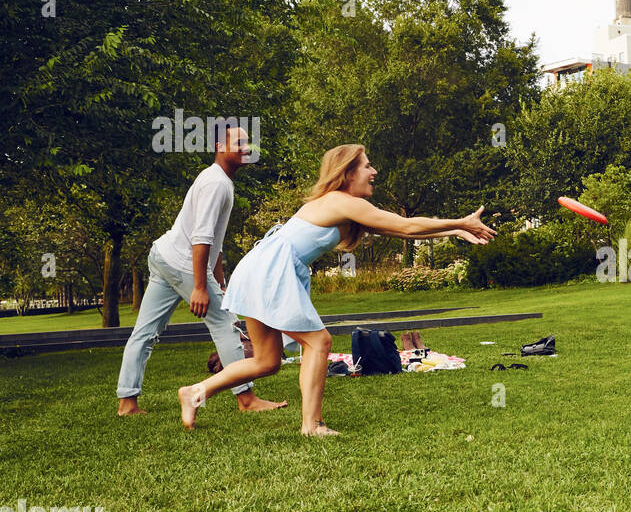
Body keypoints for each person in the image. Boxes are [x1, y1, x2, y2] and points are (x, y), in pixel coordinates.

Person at [177, 144, 496, 435]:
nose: (374, 172)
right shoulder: (341, 201)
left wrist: (456, 230)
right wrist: (462, 221)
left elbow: (402, 232)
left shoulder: (346, 206)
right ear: (347, 172)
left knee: (267, 361)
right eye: (367, 166)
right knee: (319, 342)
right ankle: (311, 424)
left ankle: (195, 393)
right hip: (271, 271)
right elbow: (407, 224)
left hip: (264, 267)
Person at [116, 123, 286, 416]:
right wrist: (198, 286)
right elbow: (201, 237)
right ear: (220, 148)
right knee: (226, 326)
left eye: (248, 143)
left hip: (164, 257)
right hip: (182, 262)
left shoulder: (218, 180)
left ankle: (127, 403)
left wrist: (218, 284)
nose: (247, 148)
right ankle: (246, 399)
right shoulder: (216, 183)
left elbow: (214, 242)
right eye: (239, 143)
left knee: (143, 333)